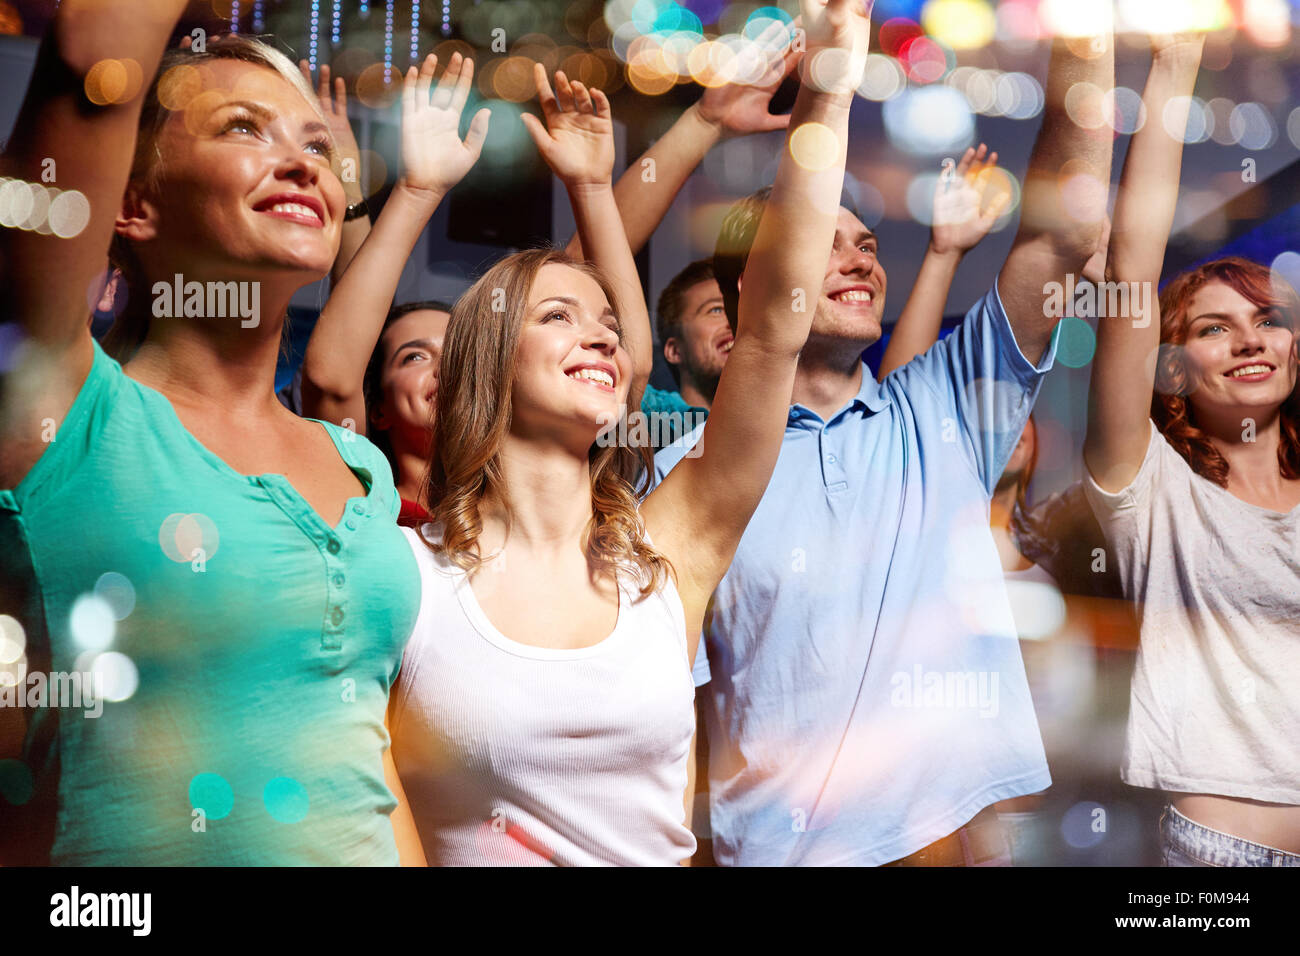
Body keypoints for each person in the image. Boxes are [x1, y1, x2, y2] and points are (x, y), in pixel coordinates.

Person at [388, 0, 868, 865]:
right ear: (491, 362)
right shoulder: (404, 578)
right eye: (561, 316)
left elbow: (769, 329)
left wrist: (827, 95)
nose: (605, 335)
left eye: (611, 321)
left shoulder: (666, 554)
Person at [655, 22, 1114, 865]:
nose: (860, 258)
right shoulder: (682, 472)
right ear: (752, 286)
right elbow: (663, 703)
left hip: (940, 846)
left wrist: (1081, 28)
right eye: (824, 245)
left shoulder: (943, 410)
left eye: (865, 244)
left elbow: (1061, 238)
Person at [0, 6, 422, 865]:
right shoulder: (65, 412)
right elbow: (90, 64)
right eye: (243, 128)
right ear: (132, 204)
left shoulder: (359, 467)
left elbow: (363, 754)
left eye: (318, 144)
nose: (301, 160)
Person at [1081, 33, 1299, 867]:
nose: (1250, 341)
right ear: (1173, 368)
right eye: (1215, 328)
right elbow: (1133, 277)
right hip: (1222, 861)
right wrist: (1175, 65)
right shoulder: (1150, 491)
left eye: (1266, 320)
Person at [297, 50, 490, 525]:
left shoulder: (519, 515)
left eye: (460, 352)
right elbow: (335, 373)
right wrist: (418, 188)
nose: (446, 368)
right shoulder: (364, 498)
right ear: (376, 409)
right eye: (415, 356)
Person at [640, 259, 725, 447]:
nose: (735, 321)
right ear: (675, 350)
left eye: (739, 310)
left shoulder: (786, 425)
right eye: (716, 310)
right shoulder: (653, 418)